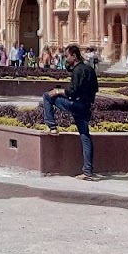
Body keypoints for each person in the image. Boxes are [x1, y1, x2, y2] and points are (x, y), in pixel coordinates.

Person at [40, 43, 99, 180]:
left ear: (74, 56)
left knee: (47, 96)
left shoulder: (77, 70)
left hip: (77, 104)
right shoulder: (89, 69)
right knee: (85, 135)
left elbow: (73, 91)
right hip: (86, 106)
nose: (66, 59)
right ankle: (88, 171)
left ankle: (52, 126)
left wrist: (59, 91)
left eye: (67, 56)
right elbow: (95, 89)